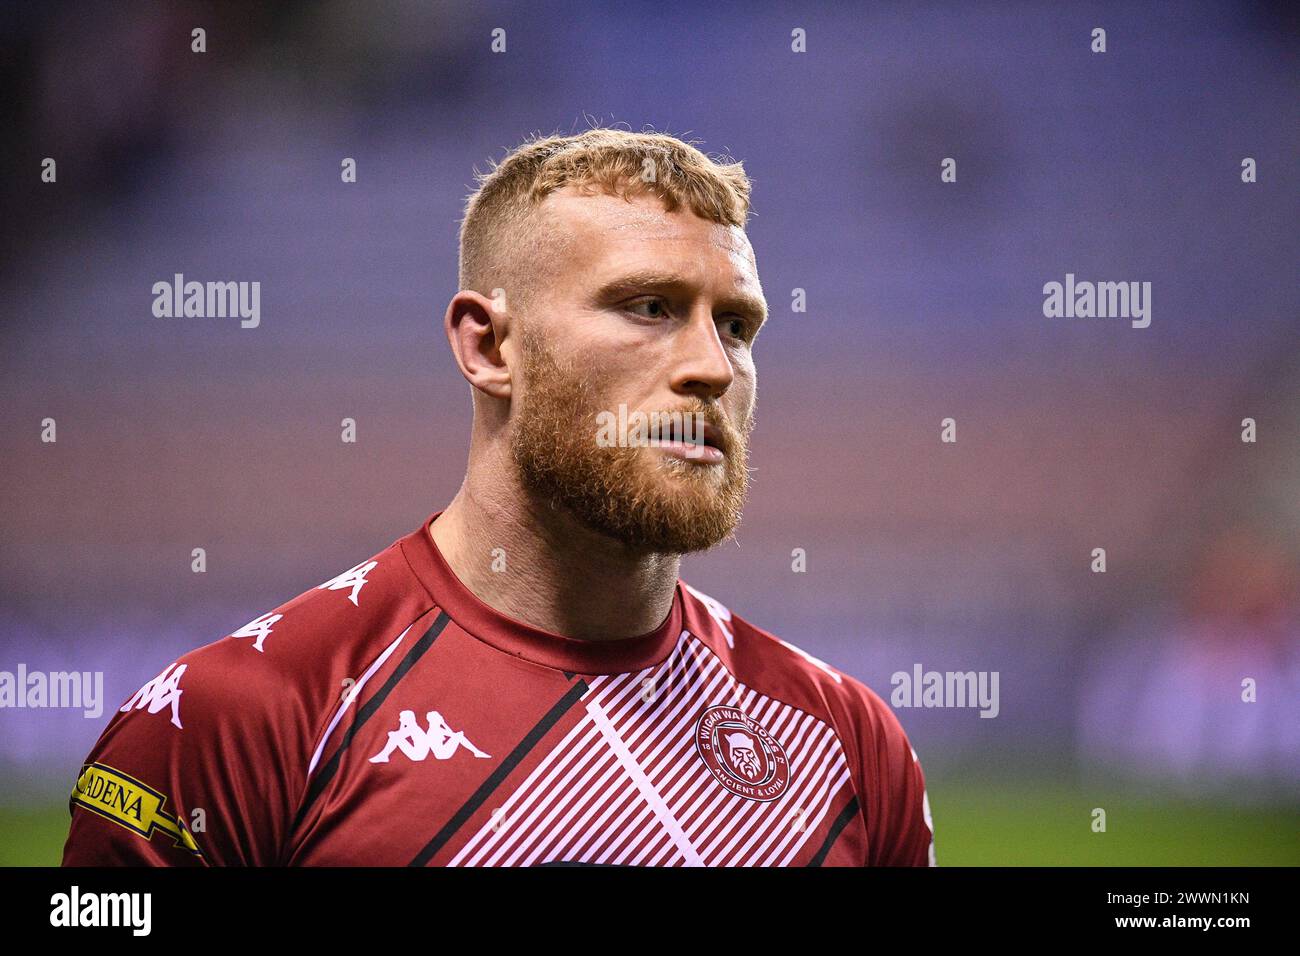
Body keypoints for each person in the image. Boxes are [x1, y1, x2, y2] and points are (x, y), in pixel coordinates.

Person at [62, 128, 935, 866]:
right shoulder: (235, 720)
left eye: (737, 325)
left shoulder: (850, 746)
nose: (712, 365)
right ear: (489, 348)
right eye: (648, 307)